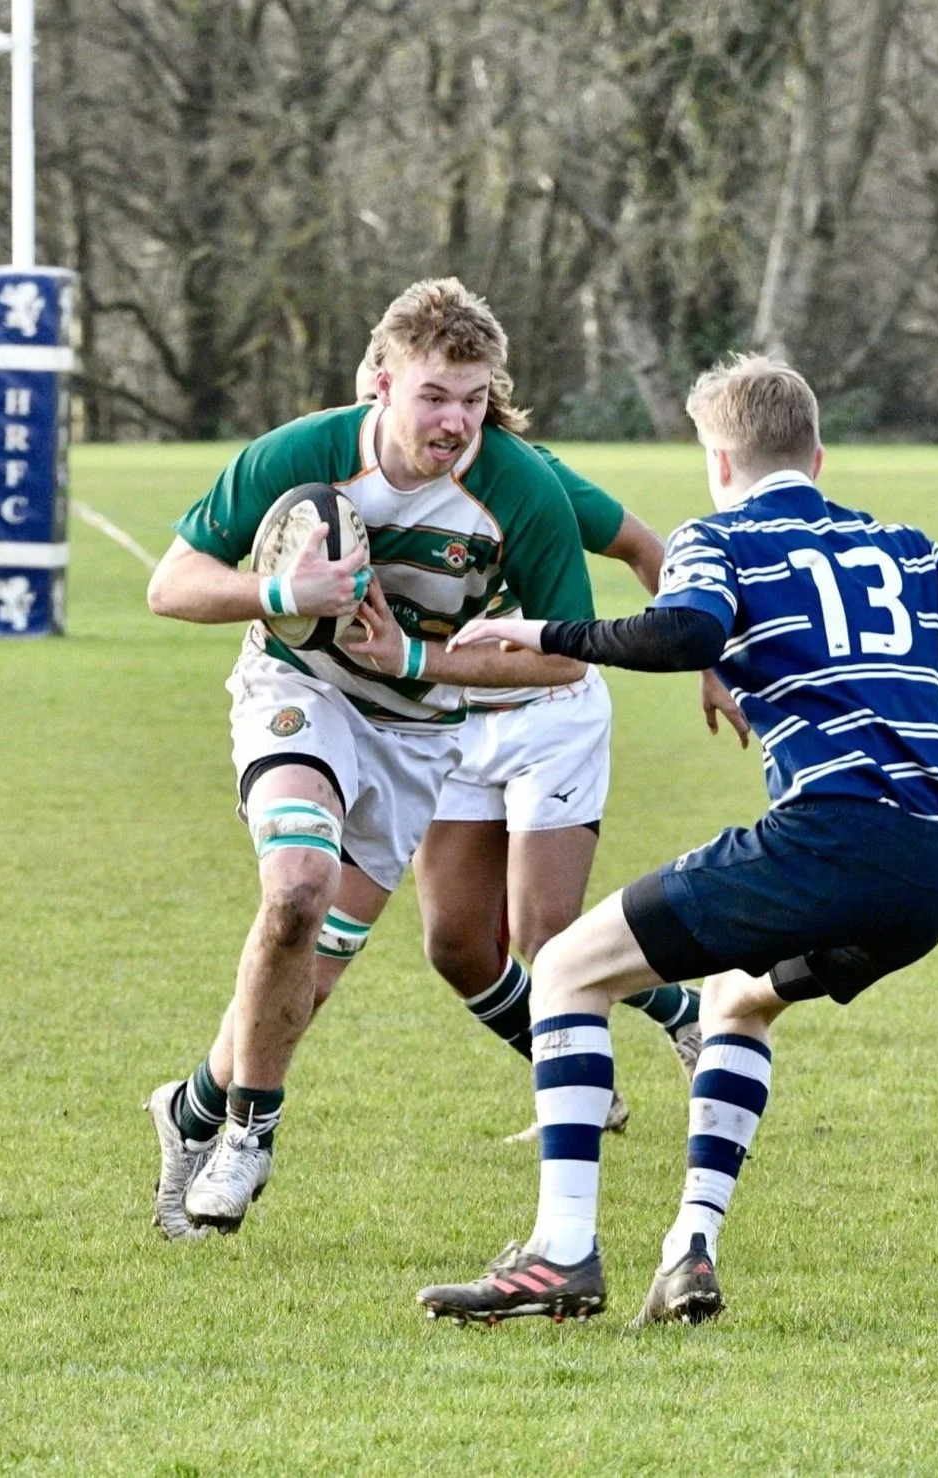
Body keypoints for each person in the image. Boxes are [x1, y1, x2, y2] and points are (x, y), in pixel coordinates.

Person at [415, 354, 938, 1326]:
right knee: (735, 998)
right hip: (937, 867)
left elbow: (685, 633)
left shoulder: (716, 536)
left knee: (562, 970)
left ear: (717, 462)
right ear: (817, 456)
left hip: (829, 838)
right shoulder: (899, 546)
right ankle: (688, 1249)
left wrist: (545, 632)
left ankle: (560, 1254)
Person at [142, 279, 597, 1239]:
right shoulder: (303, 454)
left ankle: (190, 1109)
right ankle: (249, 1134)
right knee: (295, 889)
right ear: (382, 383)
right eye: (434, 396)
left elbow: (568, 654)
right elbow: (171, 584)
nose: (456, 422)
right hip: (296, 691)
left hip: (415, 735)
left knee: (305, 981)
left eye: (473, 398)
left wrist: (417, 659)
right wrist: (281, 592)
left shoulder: (519, 488)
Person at [384, 350, 717, 1133]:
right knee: (455, 945)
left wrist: (710, 663)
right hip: (453, 722)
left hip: (550, 716)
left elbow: (644, 547)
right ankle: (587, 1081)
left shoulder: (530, 478)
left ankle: (675, 1021)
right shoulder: (366, 489)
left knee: (546, 935)